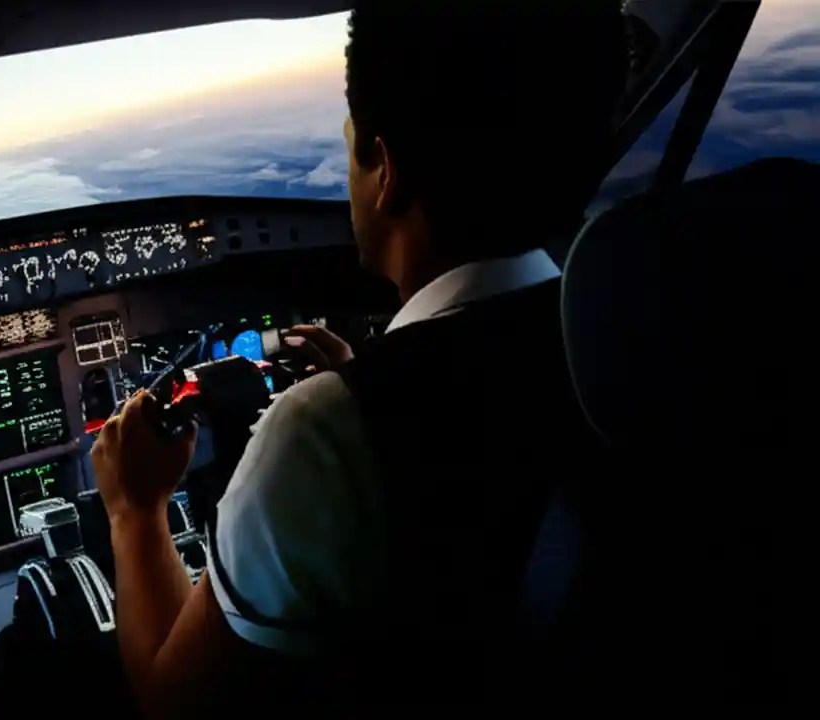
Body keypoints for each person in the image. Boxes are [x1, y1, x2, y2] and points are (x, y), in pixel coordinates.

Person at [91, 0, 628, 713]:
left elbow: (170, 695)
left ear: (386, 170)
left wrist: (135, 507)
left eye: (351, 145)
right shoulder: (629, 339)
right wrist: (363, 379)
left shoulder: (325, 433)